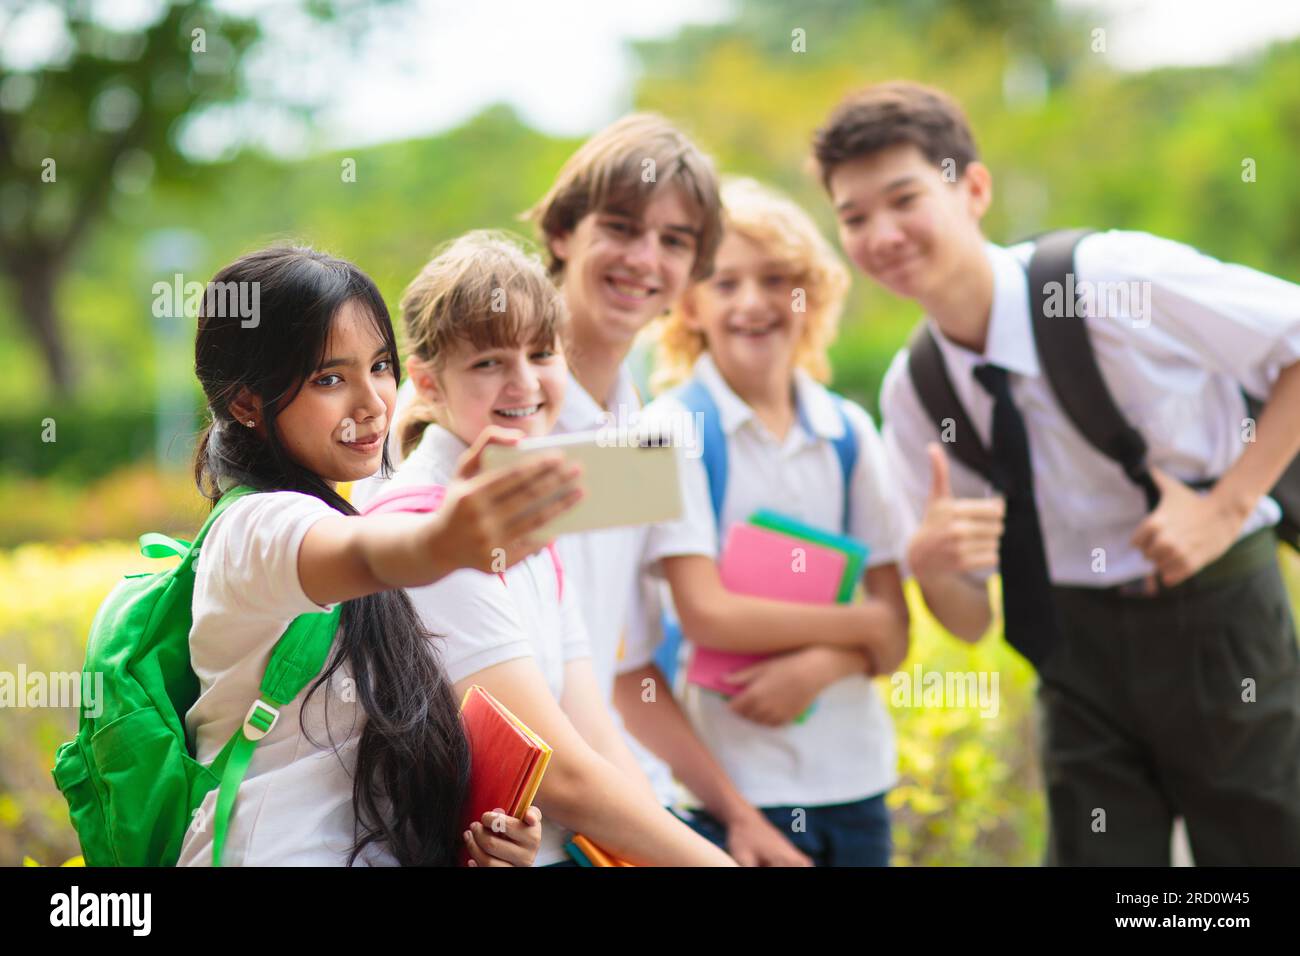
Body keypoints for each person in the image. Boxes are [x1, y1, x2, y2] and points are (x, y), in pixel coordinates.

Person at [814, 79, 1300, 864]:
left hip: (1220, 619)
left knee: (1264, 852)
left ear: (972, 188)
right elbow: (969, 620)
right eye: (854, 217)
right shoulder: (917, 390)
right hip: (1074, 652)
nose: (883, 234)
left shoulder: (1110, 279)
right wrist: (933, 567)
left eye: (904, 198)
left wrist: (1223, 508)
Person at [178, 245, 576, 866]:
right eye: (329, 379)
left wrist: (485, 845)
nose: (371, 404)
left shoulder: (346, 509)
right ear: (246, 404)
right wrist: (443, 539)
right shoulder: (255, 529)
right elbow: (367, 555)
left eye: (381, 366)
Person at [389, 231, 735, 866]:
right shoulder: (428, 533)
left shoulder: (522, 520)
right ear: (428, 383)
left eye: (542, 353)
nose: (525, 383)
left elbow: (594, 734)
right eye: (489, 362)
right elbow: (566, 776)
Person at [634, 177, 910, 866]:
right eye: (724, 283)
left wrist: (820, 665)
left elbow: (898, 635)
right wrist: (861, 630)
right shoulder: (670, 430)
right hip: (736, 792)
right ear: (689, 303)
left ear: (809, 296)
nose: (752, 303)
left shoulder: (848, 431)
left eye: (776, 280)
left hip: (858, 782)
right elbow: (708, 616)